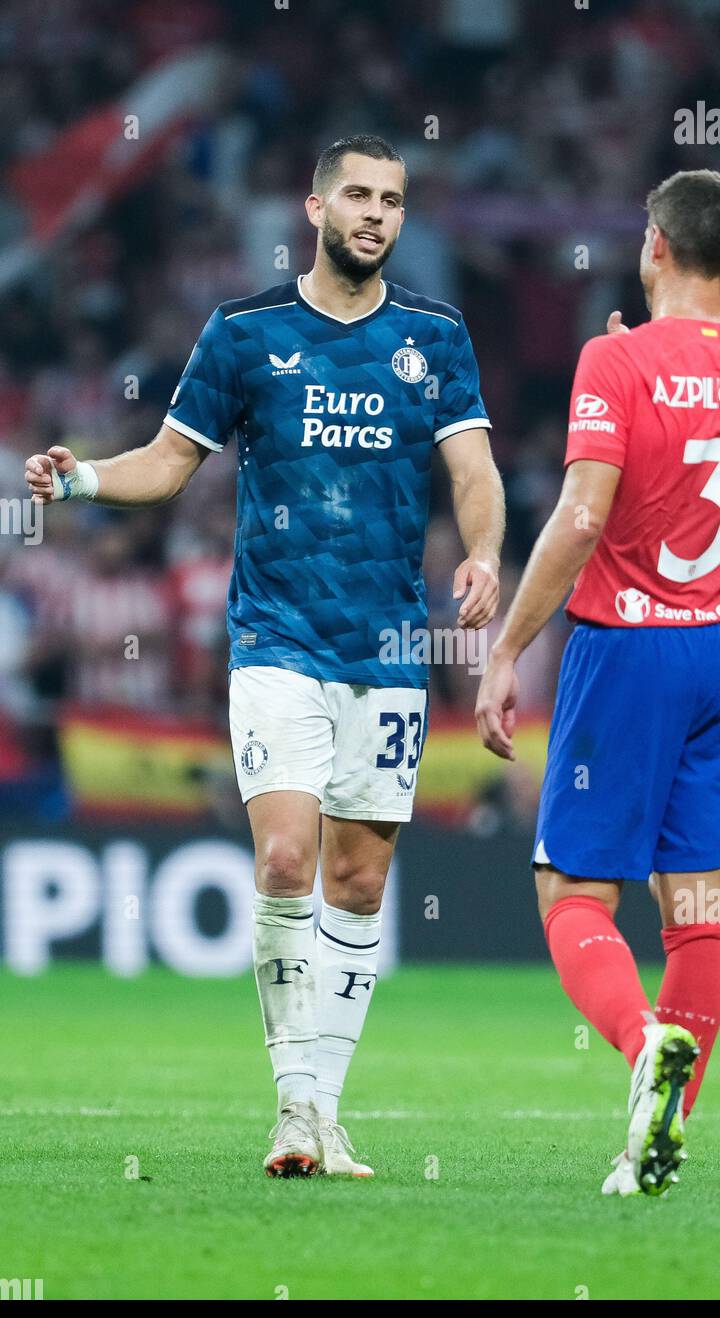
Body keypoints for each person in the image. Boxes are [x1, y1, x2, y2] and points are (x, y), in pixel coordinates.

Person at [25, 134, 505, 1180]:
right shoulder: (244, 333)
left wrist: (481, 552)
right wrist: (78, 483)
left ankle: (326, 1113)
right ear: (314, 207)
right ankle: (292, 1110)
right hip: (277, 636)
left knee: (361, 878)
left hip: (387, 650)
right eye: (359, 196)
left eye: (392, 199)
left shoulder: (434, 335)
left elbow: (472, 465)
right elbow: (166, 461)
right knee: (287, 858)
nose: (377, 214)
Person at [475, 169, 720, 1197]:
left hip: (626, 646)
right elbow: (692, 436)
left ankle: (639, 1038)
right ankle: (651, 1144)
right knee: (696, 908)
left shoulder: (611, 361)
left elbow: (581, 517)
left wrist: (506, 646)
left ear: (652, 244)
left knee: (572, 890)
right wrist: (631, 367)